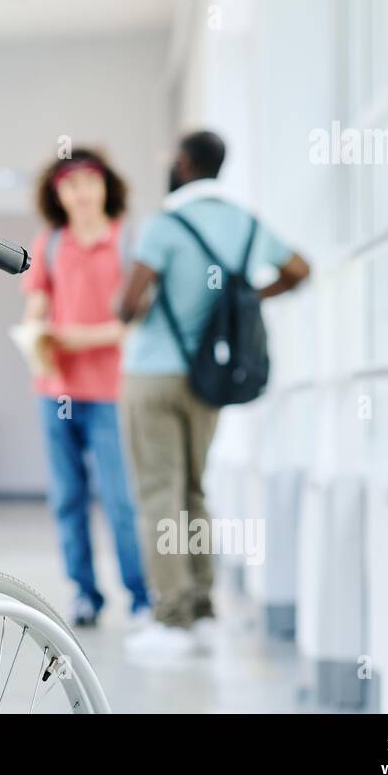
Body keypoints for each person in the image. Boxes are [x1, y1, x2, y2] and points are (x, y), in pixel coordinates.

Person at [118, 130, 309, 661]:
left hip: (153, 375)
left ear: (183, 163)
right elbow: (300, 269)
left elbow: (128, 305)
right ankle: (203, 609)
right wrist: (247, 297)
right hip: (210, 379)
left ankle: (170, 619)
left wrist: (142, 301)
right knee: (195, 491)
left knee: (160, 493)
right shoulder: (246, 223)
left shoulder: (164, 224)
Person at [20, 150, 152, 629]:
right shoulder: (51, 243)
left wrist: (77, 336)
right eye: (69, 184)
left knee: (120, 499)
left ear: (105, 187)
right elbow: (36, 306)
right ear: (57, 194)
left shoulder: (129, 242)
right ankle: (84, 594)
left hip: (111, 393)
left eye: (89, 182)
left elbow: (133, 325)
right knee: (67, 497)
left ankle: (140, 597)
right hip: (55, 391)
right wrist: (34, 332)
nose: (80, 192)